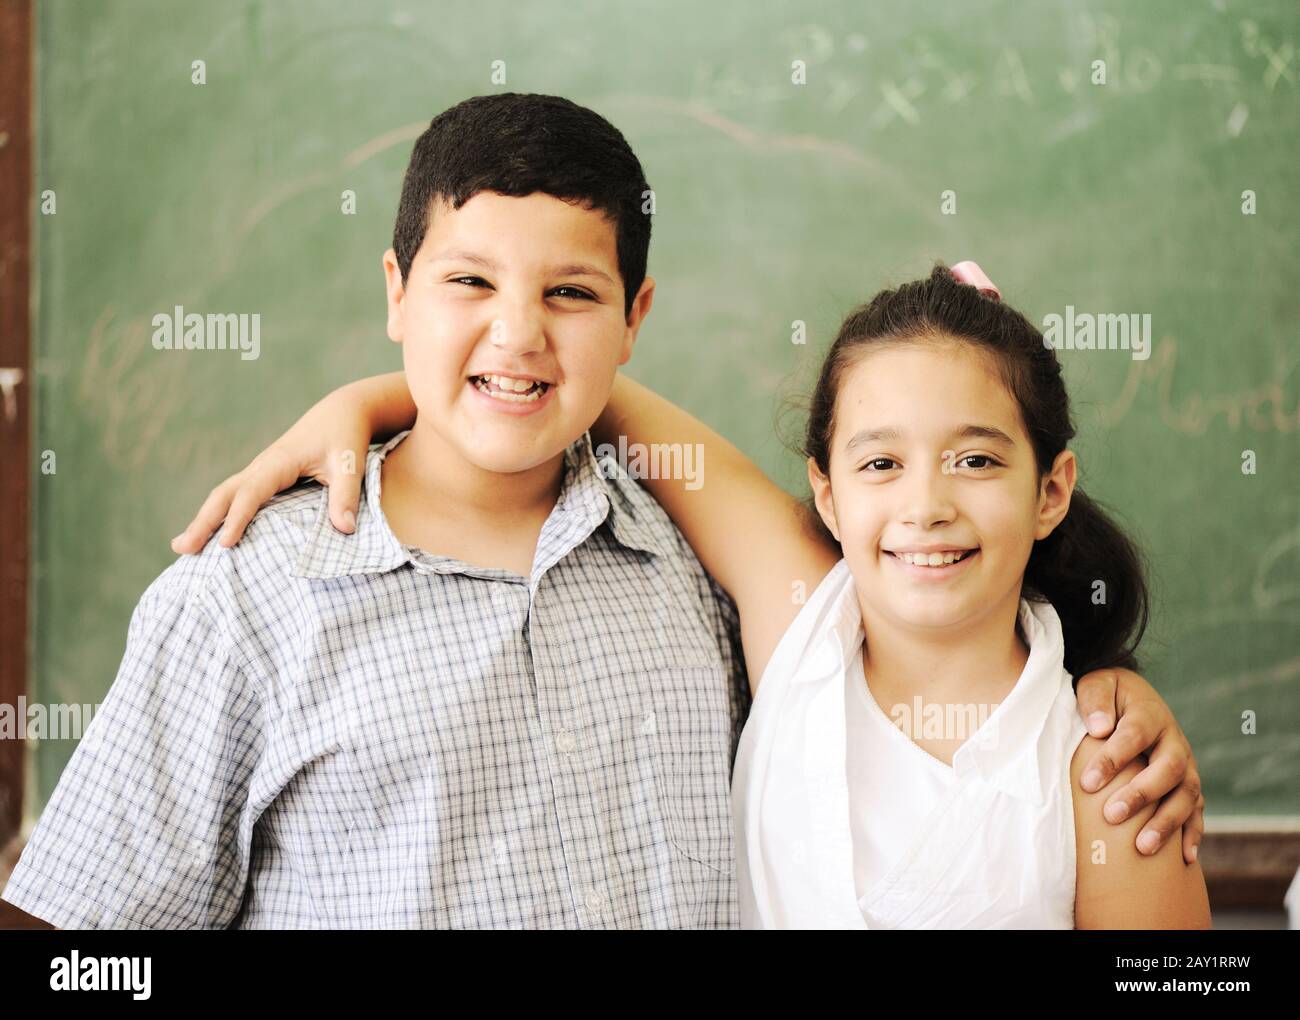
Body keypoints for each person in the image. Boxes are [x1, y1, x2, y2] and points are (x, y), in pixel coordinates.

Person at [170, 259, 1209, 928]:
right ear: (825, 493)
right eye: (880, 465)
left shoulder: (1102, 766)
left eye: (977, 463)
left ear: (1050, 490)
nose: (925, 507)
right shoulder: (799, 614)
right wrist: (373, 396)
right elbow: (587, 391)